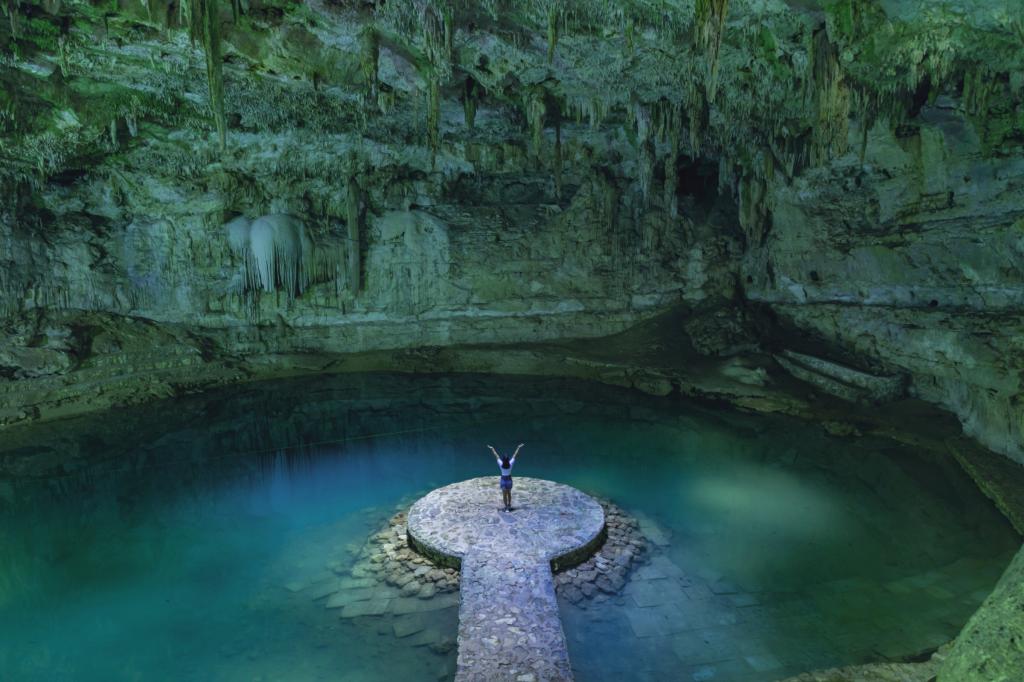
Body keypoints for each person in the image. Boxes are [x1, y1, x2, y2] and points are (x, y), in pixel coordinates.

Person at [488, 443, 524, 512]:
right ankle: (509, 505)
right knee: (509, 493)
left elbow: (496, 455)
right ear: (508, 460)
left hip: (503, 480)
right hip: (509, 480)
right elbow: (515, 455)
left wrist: (492, 448)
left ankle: (506, 507)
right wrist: (518, 447)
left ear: (503, 460)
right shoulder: (511, 463)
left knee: (504, 495)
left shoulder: (501, 464)